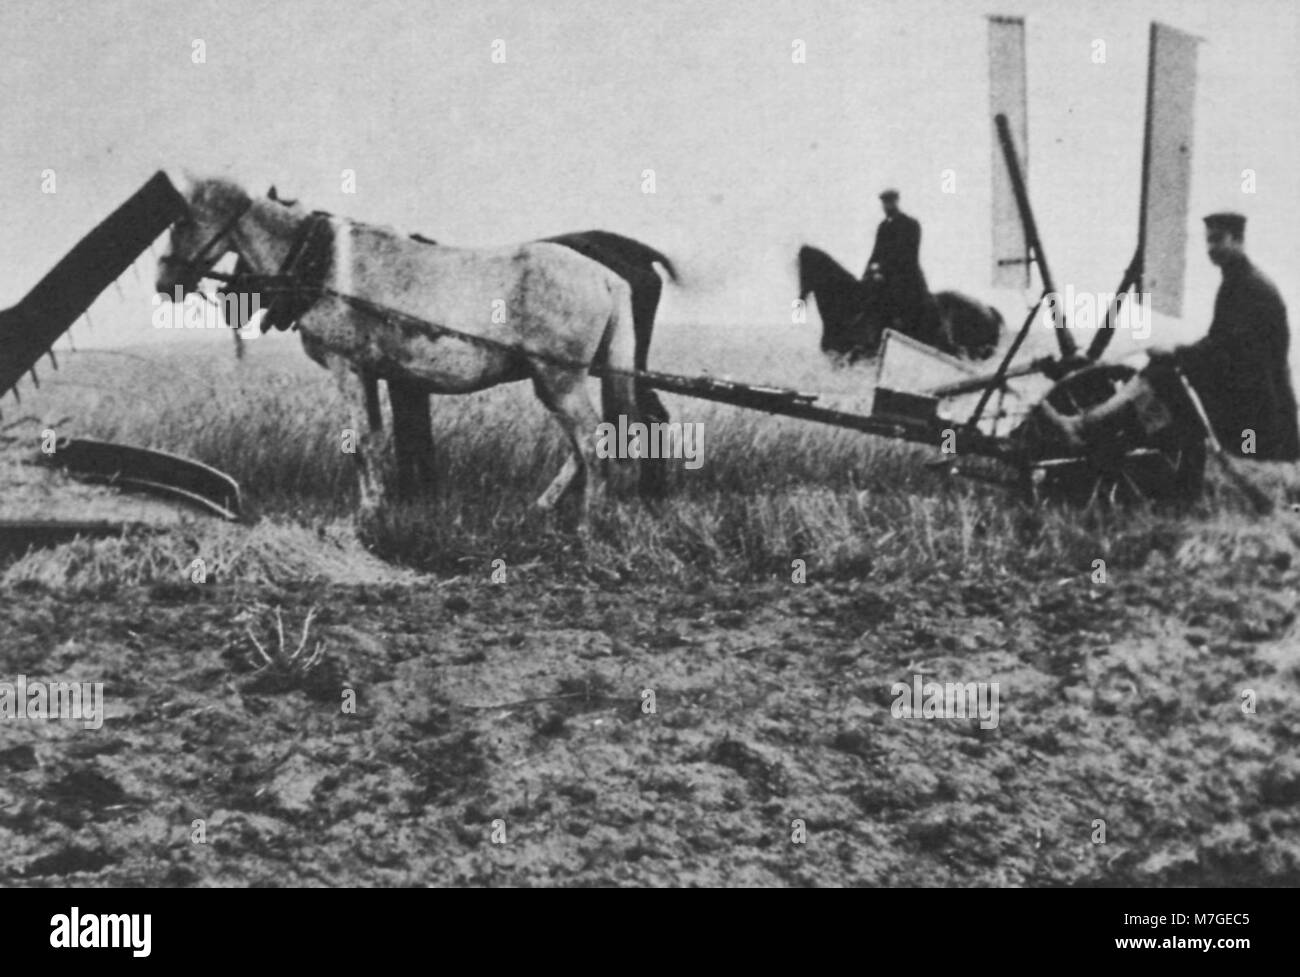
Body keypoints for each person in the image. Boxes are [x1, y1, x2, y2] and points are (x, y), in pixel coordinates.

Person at [1041, 212, 1300, 461]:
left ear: (1237, 240)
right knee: (1161, 376)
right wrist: (1176, 352)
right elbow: (1223, 342)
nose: (1211, 248)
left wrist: (1175, 352)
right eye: (1209, 240)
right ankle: (1095, 429)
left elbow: (1230, 349)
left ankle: (1087, 427)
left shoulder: (1248, 286)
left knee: (1161, 377)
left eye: (1218, 239)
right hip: (1250, 390)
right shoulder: (1240, 280)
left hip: (1256, 403)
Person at [863, 189, 941, 345]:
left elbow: (908, 255)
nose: (886, 206)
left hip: (907, 276)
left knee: (903, 301)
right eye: (884, 203)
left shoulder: (910, 224)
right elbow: (876, 253)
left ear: (896, 202)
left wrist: (883, 272)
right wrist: (868, 272)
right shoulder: (882, 227)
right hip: (885, 277)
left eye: (889, 202)